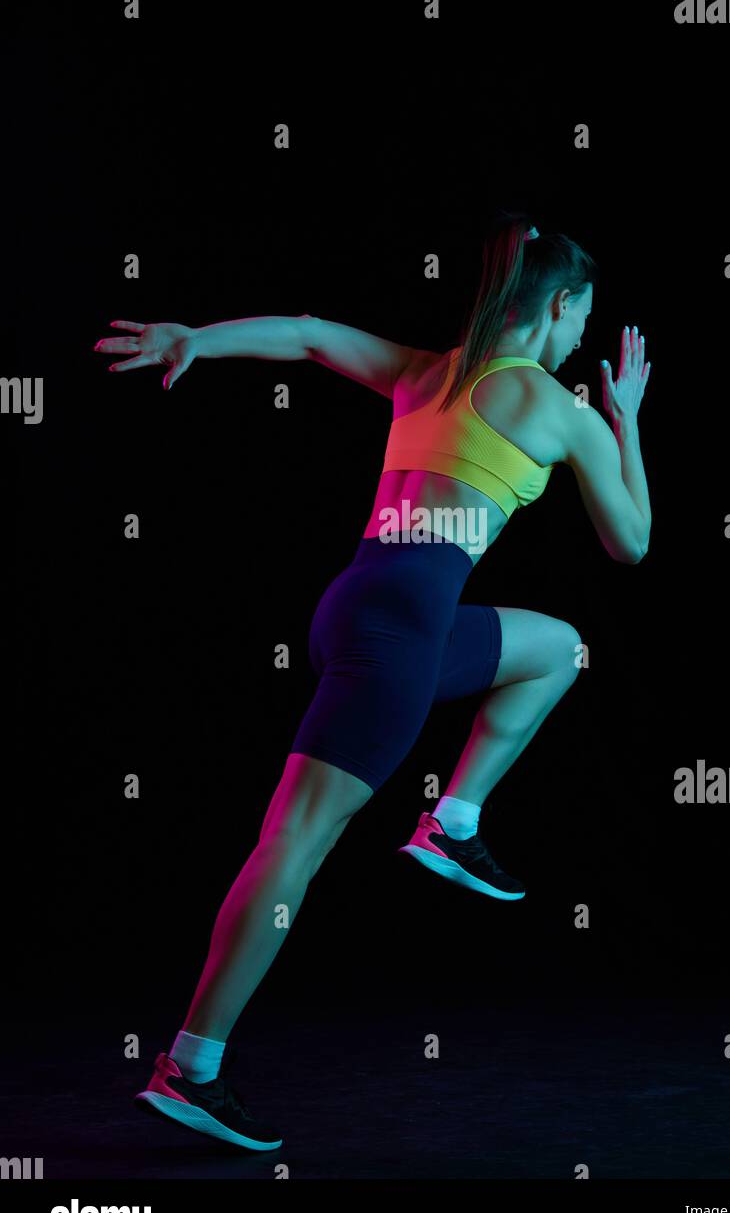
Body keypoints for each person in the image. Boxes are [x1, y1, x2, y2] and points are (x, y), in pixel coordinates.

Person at [94, 212, 652, 1152]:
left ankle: (455, 823)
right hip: (395, 637)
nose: (580, 341)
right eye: (581, 323)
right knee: (292, 846)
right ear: (557, 307)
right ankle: (191, 1067)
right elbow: (631, 542)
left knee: (556, 646)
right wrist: (625, 423)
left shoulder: (426, 369)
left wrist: (197, 337)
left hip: (368, 608)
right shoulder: (556, 408)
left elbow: (311, 335)